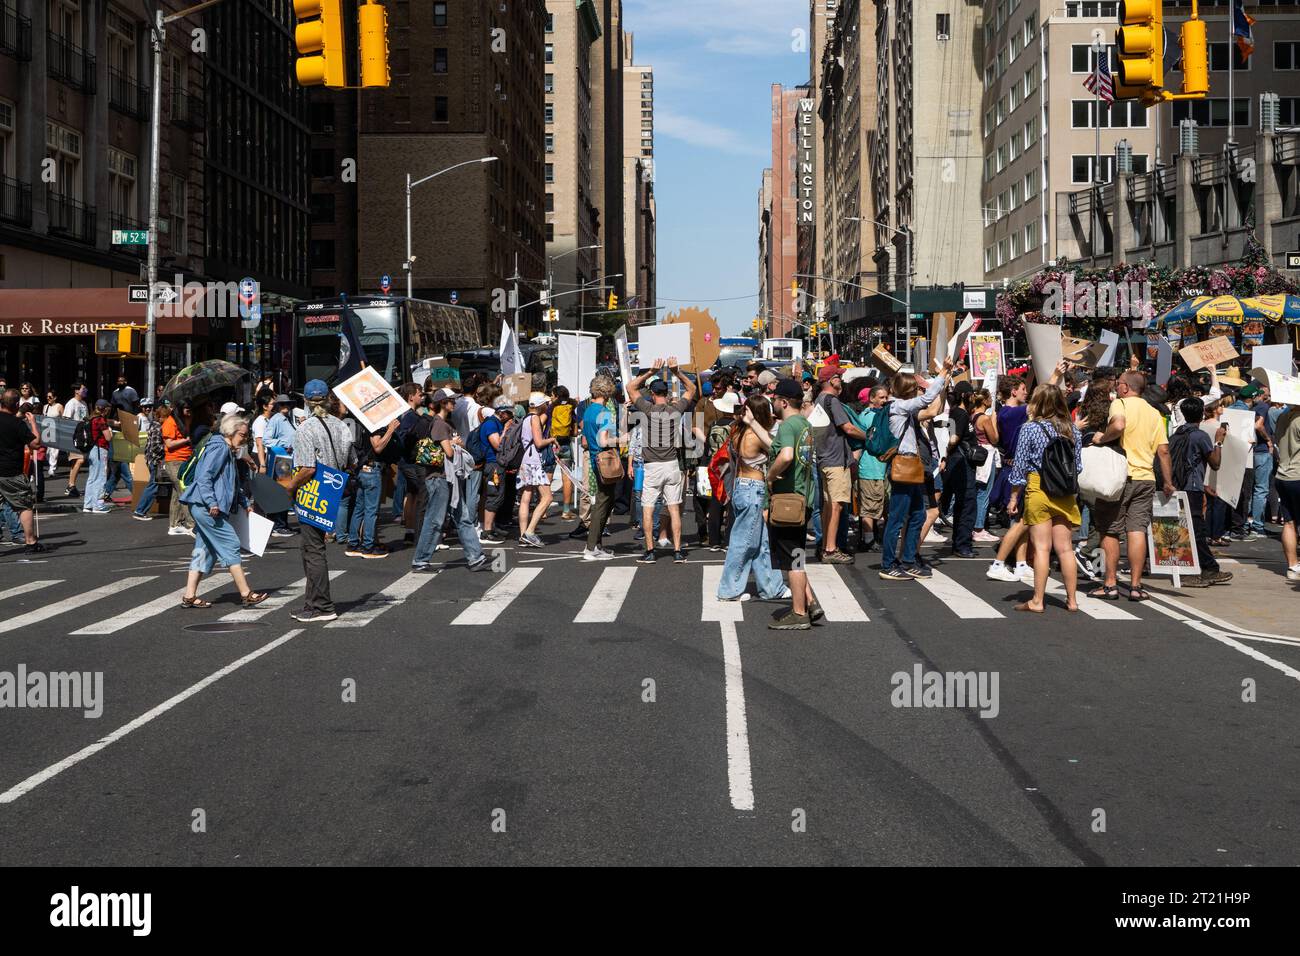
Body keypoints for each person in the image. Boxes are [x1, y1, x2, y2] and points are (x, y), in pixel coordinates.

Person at [1088, 369, 1174, 602]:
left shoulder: (1120, 405)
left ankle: (1110, 584)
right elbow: (1163, 451)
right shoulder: (1155, 413)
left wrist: (1101, 438)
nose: (1116, 387)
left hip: (1121, 475)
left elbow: (1118, 425)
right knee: (1136, 530)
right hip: (1146, 477)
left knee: (1110, 529)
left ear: (1126, 387)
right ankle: (1136, 586)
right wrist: (1168, 481)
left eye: (1118, 384)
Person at [177, 414, 268, 609]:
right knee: (231, 543)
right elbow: (204, 477)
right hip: (206, 507)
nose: (245, 439)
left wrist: (244, 502)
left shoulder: (227, 449)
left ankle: (189, 595)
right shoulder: (219, 447)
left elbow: (230, 483)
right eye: (243, 435)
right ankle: (246, 593)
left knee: (204, 550)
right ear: (231, 432)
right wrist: (211, 503)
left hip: (204, 505)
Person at [1006, 385, 1083, 613]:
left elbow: (1019, 466)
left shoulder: (1029, 428)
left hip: (1038, 487)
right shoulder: (1072, 430)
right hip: (1065, 491)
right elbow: (1078, 465)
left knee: (1041, 548)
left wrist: (1013, 497)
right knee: (1065, 549)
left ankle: (1038, 600)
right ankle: (1072, 601)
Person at [880, 360, 956, 580]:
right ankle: (888, 564)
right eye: (915, 389)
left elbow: (932, 407)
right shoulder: (898, 406)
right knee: (896, 517)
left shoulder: (902, 408)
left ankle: (909, 560)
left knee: (917, 514)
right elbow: (927, 399)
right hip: (904, 466)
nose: (917, 392)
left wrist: (944, 379)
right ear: (909, 391)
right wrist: (942, 373)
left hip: (912, 467)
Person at [288, 380, 357, 622]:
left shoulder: (305, 429)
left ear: (305, 401)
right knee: (311, 547)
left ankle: (321, 606)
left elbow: (306, 468)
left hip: (312, 490)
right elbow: (352, 460)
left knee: (313, 549)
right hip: (333, 488)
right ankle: (312, 603)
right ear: (328, 399)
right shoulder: (341, 425)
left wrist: (290, 486)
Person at [717, 393, 789, 603]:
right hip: (752, 489)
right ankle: (729, 590)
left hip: (742, 487)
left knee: (760, 542)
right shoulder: (754, 434)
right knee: (744, 542)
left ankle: (771, 587)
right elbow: (777, 447)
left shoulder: (738, 431)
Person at [627, 357, 696, 563]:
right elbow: (691, 389)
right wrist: (677, 372)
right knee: (674, 508)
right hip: (672, 464)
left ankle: (650, 551)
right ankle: (676, 551)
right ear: (666, 394)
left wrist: (650, 372)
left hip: (652, 466)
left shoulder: (646, 410)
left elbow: (631, 387)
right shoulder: (675, 410)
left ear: (652, 394)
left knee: (648, 507)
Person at [765, 378, 820, 629]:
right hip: (804, 498)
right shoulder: (804, 424)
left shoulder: (788, 426)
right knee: (797, 555)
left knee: (791, 561)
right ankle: (808, 603)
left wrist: (770, 475)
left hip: (788, 500)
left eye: (775, 399)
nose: (773, 403)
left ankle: (799, 613)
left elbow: (786, 455)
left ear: (784, 402)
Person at [1170, 397, 1232, 588]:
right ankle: (1206, 569)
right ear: (1202, 414)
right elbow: (1215, 463)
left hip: (1179, 487)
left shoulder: (1176, 434)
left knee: (1185, 530)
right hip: (1193, 489)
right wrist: (1219, 442)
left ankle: (1202, 568)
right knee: (1196, 531)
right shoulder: (1200, 436)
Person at [812, 365, 865, 564]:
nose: (840, 380)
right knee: (836, 506)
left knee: (828, 505)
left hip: (825, 457)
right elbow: (848, 428)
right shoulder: (832, 400)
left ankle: (826, 544)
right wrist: (868, 436)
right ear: (830, 380)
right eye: (838, 377)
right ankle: (831, 549)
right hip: (836, 459)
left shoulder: (819, 400)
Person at [342, 410, 401, 559]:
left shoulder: (365, 423)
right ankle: (368, 546)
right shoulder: (375, 425)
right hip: (372, 470)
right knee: (371, 511)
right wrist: (390, 430)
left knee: (359, 509)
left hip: (364, 470)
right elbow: (378, 447)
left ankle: (354, 544)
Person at [0, 388, 45, 554]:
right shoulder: (17, 424)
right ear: (17, 405)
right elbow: (36, 444)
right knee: (24, 505)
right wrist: (32, 422)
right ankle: (31, 541)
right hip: (11, 472)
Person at [582, 373, 622, 561]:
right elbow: (605, 440)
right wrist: (622, 439)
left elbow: (585, 440)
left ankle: (596, 545)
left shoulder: (589, 411)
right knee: (603, 501)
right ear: (608, 393)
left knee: (604, 499)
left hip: (593, 457)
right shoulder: (604, 412)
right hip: (604, 458)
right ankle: (592, 546)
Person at [939, 380, 979, 558]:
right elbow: (953, 437)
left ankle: (959, 543)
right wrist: (947, 448)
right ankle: (963, 544)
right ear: (964, 395)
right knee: (967, 504)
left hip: (957, 462)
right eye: (971, 394)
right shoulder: (961, 414)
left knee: (961, 504)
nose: (974, 398)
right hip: (961, 463)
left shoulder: (956, 413)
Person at [516, 392, 557, 547]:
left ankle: (523, 536)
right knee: (547, 497)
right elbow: (539, 443)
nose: (547, 406)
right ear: (540, 405)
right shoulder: (534, 419)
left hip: (525, 460)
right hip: (534, 461)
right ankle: (530, 532)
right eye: (545, 404)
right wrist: (552, 439)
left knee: (526, 498)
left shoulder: (526, 418)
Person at [853, 385, 890, 552]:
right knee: (868, 506)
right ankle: (868, 540)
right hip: (870, 468)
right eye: (881, 398)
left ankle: (874, 537)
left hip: (882, 468)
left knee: (880, 504)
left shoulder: (880, 415)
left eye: (886, 397)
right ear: (872, 399)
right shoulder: (868, 417)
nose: (885, 400)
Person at [1272, 400, 1300, 580]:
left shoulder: (1283, 416)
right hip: (1298, 474)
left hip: (1282, 475)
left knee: (1289, 523)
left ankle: (1292, 567)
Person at [479, 396, 514, 543]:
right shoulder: (491, 425)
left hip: (498, 465)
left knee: (497, 496)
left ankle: (490, 526)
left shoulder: (496, 423)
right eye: (509, 413)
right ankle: (487, 531)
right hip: (493, 465)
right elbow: (497, 445)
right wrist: (506, 430)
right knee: (494, 496)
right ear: (501, 412)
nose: (511, 416)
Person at [162, 401, 197, 534]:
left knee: (177, 493)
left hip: (185, 460)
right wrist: (187, 440)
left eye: (190, 408)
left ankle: (174, 525)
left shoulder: (185, 420)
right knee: (184, 491)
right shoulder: (170, 422)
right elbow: (169, 444)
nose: (189, 410)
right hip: (174, 461)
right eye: (186, 408)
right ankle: (191, 524)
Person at [1250, 382, 1275, 537]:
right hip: (1261, 451)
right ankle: (1258, 526)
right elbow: (1258, 426)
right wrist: (1268, 440)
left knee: (1252, 488)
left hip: (1251, 451)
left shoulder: (1252, 407)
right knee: (1261, 489)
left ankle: (1250, 521)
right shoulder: (1264, 407)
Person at [131, 399, 163, 520]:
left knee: (153, 485)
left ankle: (140, 510)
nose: (148, 409)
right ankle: (140, 511)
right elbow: (154, 445)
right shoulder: (152, 423)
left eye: (150, 406)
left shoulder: (151, 421)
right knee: (153, 485)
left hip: (150, 457)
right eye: (146, 407)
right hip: (154, 459)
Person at [82, 399, 114, 515]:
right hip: (100, 449)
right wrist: (110, 431)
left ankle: (88, 504)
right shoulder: (100, 420)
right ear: (104, 409)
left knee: (92, 477)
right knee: (101, 478)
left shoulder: (91, 419)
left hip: (91, 450)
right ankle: (98, 505)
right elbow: (108, 438)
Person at [62, 383, 89, 497]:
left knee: (76, 461)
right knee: (80, 460)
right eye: (83, 389)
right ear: (76, 391)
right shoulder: (71, 403)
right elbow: (66, 419)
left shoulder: (84, 404)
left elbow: (86, 418)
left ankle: (71, 485)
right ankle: (70, 485)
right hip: (74, 436)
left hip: (82, 437)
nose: (85, 391)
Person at [43, 389, 64, 477]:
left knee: (54, 451)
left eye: (50, 397)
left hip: (56, 430)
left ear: (55, 398)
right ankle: (53, 465)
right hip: (46, 430)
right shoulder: (45, 407)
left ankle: (52, 468)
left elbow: (63, 418)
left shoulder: (59, 406)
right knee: (47, 452)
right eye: (47, 397)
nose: (48, 398)